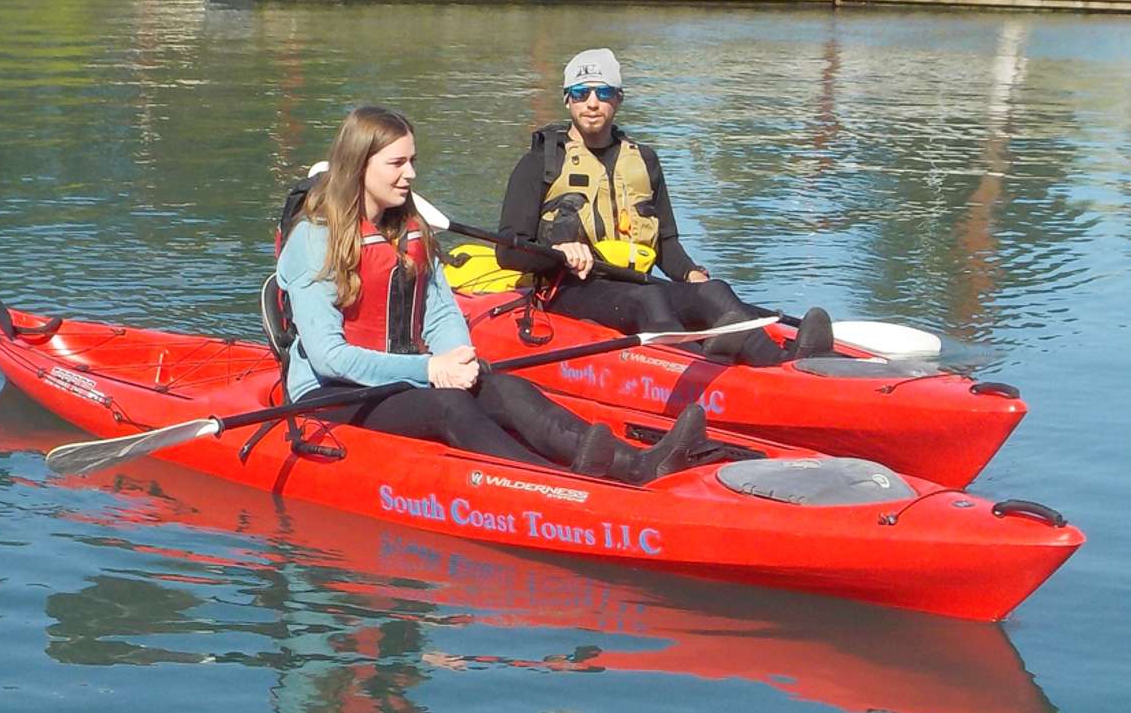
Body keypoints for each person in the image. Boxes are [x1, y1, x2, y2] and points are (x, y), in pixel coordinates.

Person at [277, 106, 704, 483]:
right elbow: (328, 357)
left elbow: (440, 310)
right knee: (449, 408)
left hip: (405, 373)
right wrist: (430, 370)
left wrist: (459, 357)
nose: (411, 174)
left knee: (508, 391)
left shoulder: (408, 229)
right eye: (397, 163)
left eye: (413, 161)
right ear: (359, 166)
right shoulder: (315, 241)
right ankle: (553, 484)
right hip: (331, 392)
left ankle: (639, 465)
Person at [494, 49, 832, 366]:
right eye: (581, 93)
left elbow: (665, 243)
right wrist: (557, 251)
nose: (592, 103)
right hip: (568, 289)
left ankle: (787, 366)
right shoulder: (541, 162)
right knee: (649, 302)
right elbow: (507, 251)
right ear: (568, 100)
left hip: (633, 282)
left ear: (619, 99)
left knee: (714, 291)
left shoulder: (644, 160)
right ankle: (703, 370)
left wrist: (690, 274)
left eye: (604, 93)